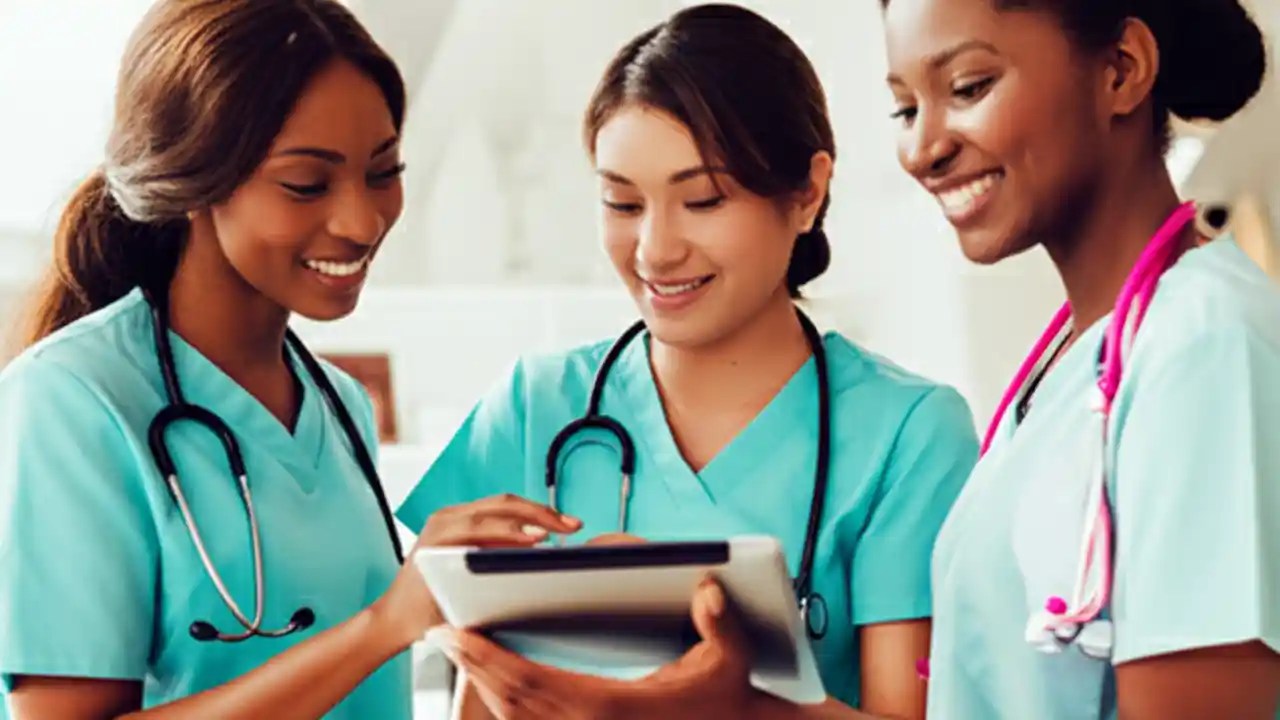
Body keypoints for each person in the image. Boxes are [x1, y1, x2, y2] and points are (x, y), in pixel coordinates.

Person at [396, 5, 979, 719]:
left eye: (702, 200)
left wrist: (722, 700)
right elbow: (478, 696)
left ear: (807, 193)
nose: (654, 250)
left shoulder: (909, 433)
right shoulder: (535, 408)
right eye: (622, 201)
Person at [0, 1, 448, 717]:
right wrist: (381, 629)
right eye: (306, 184)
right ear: (197, 175)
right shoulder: (72, 401)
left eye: (383, 171)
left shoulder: (340, 405)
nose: (362, 221)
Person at [880, 0, 1280, 717]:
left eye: (968, 88)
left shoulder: (1204, 342)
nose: (922, 149)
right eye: (906, 109)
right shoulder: (1077, 358)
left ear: (1121, 70)